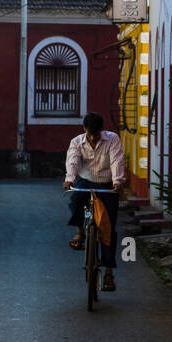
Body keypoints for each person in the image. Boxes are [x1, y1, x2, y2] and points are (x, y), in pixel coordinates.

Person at [64, 113, 127, 292]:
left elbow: (116, 160)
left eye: (96, 134)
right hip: (85, 181)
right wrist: (70, 179)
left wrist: (118, 181)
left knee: (108, 229)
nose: (92, 137)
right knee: (76, 199)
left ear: (102, 130)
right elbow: (73, 162)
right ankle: (80, 232)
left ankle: (108, 273)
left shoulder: (112, 139)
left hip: (107, 184)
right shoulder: (76, 142)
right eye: (89, 133)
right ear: (84, 129)